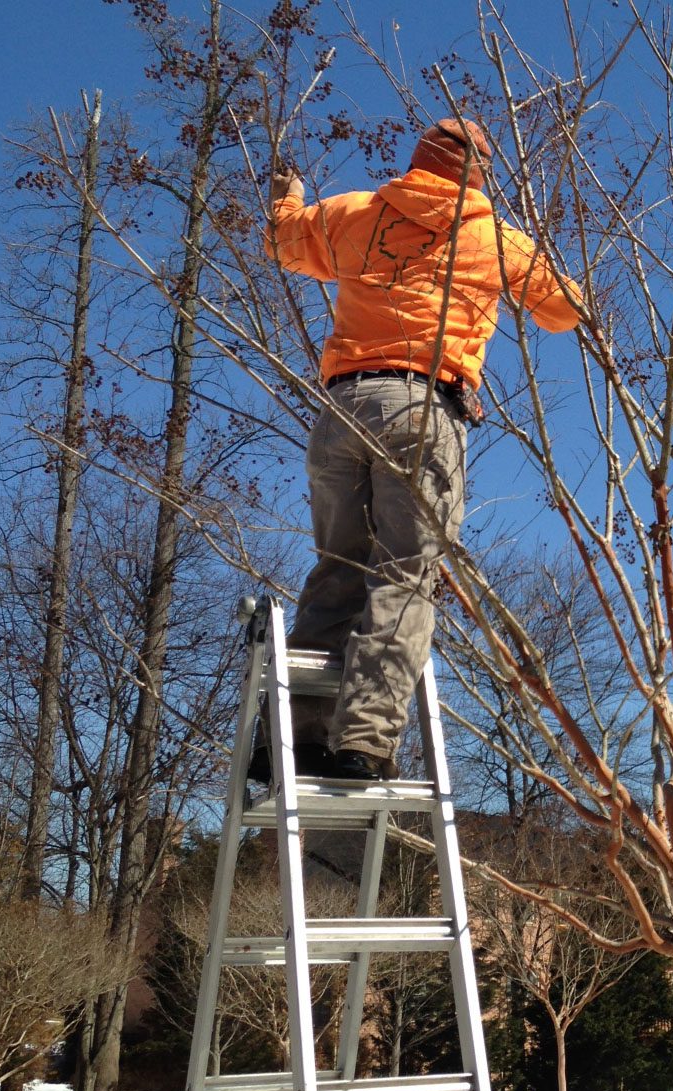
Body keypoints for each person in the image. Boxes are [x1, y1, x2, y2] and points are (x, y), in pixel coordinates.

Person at [258, 117, 581, 781]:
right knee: (404, 577)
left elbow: (285, 242)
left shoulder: (359, 213)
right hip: (424, 406)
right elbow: (566, 309)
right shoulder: (495, 239)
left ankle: (298, 738)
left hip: (345, 408)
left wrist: (288, 195)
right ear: (480, 175)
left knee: (337, 569)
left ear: (417, 160)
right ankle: (364, 741)